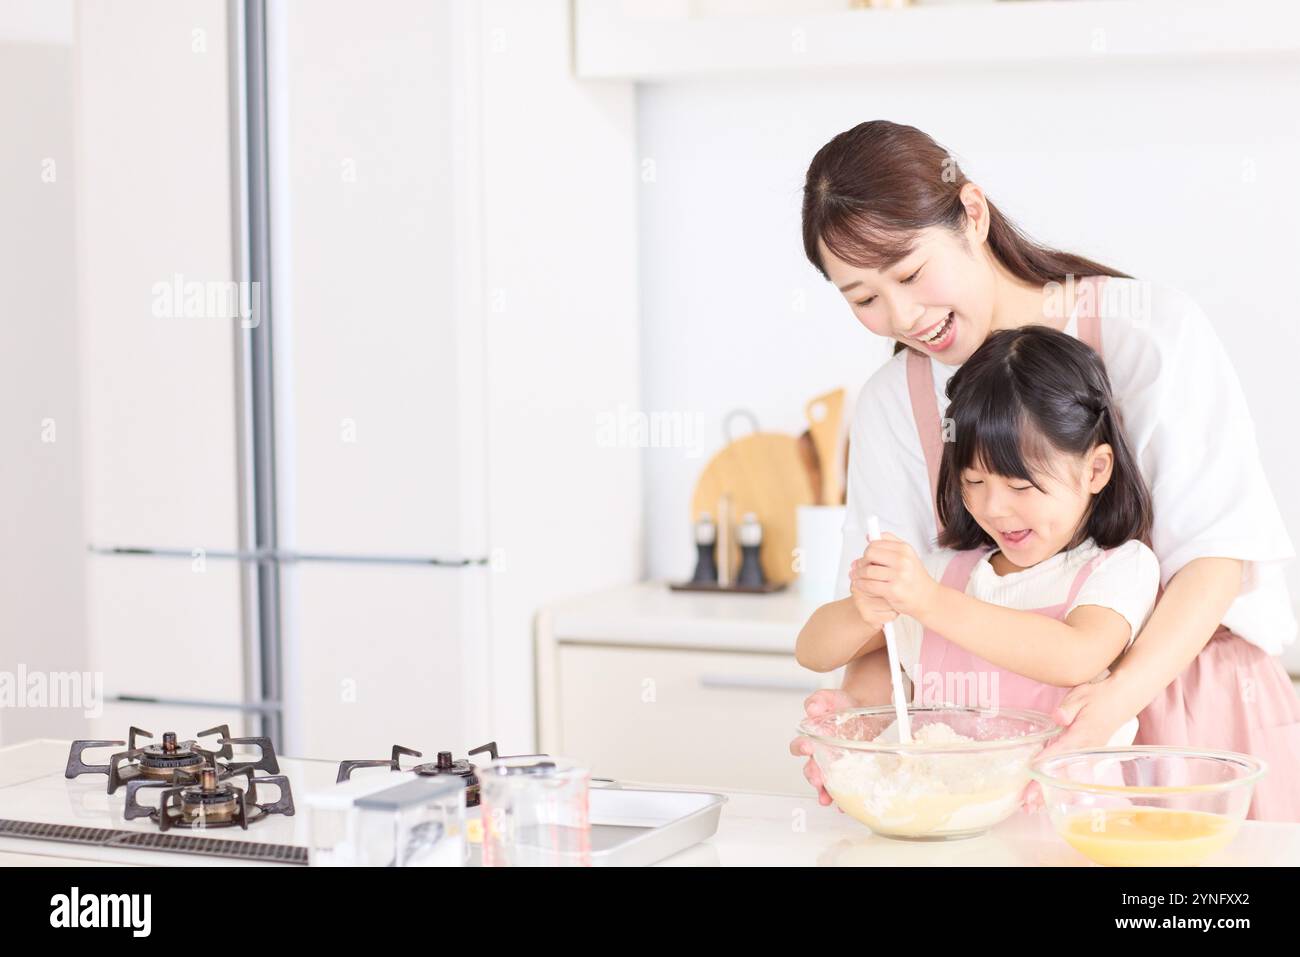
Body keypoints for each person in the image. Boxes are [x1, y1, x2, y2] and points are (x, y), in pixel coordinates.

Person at [788, 120, 1300, 821]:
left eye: (909, 272)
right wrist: (865, 727)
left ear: (972, 213)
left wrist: (1111, 704)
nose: (902, 314)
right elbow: (889, 614)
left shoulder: (1148, 332)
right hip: (1008, 747)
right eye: (864, 298)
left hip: (1191, 707)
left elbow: (1216, 560)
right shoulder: (892, 404)